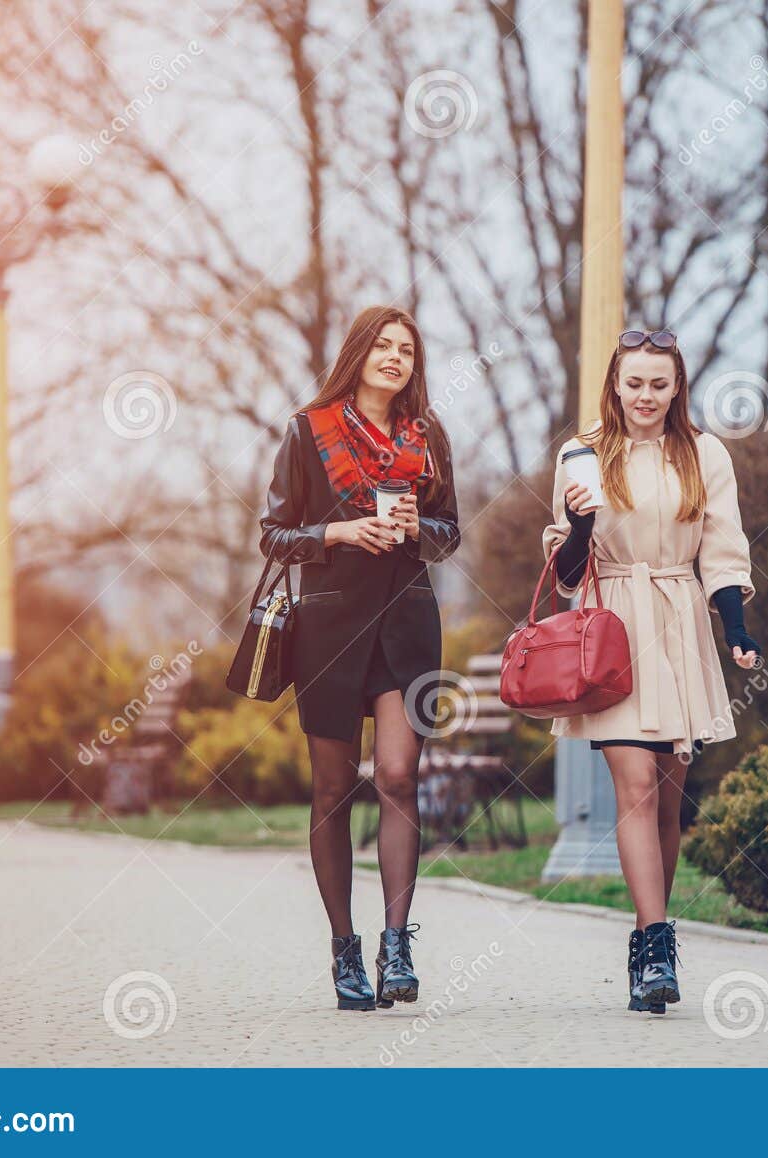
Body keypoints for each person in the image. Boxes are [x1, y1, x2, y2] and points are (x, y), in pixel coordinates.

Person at [541, 328, 760, 1014]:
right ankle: (659, 941)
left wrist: (737, 630)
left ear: (677, 387)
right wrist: (578, 528)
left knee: (667, 795)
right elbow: (566, 572)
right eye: (633, 382)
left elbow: (722, 549)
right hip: (611, 628)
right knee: (634, 784)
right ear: (615, 384)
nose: (645, 396)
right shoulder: (580, 455)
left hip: (681, 621)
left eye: (658, 384)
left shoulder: (705, 455)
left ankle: (646, 947)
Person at [259, 304, 460, 1011]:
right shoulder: (306, 431)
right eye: (382, 344)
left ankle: (396, 943)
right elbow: (275, 536)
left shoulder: (426, 435)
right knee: (333, 789)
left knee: (400, 777)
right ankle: (344, 950)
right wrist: (341, 532)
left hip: (407, 627)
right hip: (330, 630)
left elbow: (449, 534)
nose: (395, 357)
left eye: (406, 348)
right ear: (359, 353)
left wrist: (415, 528)